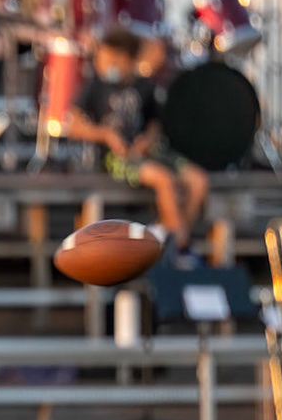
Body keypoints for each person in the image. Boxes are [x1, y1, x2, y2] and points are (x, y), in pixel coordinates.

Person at [64, 27, 208, 254]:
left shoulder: (145, 86)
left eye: (107, 58)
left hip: (151, 153)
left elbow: (155, 124)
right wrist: (106, 135)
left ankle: (172, 236)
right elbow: (73, 125)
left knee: (197, 181)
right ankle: (180, 248)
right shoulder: (95, 86)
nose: (101, 63)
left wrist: (146, 140)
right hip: (117, 158)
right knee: (163, 180)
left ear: (125, 59)